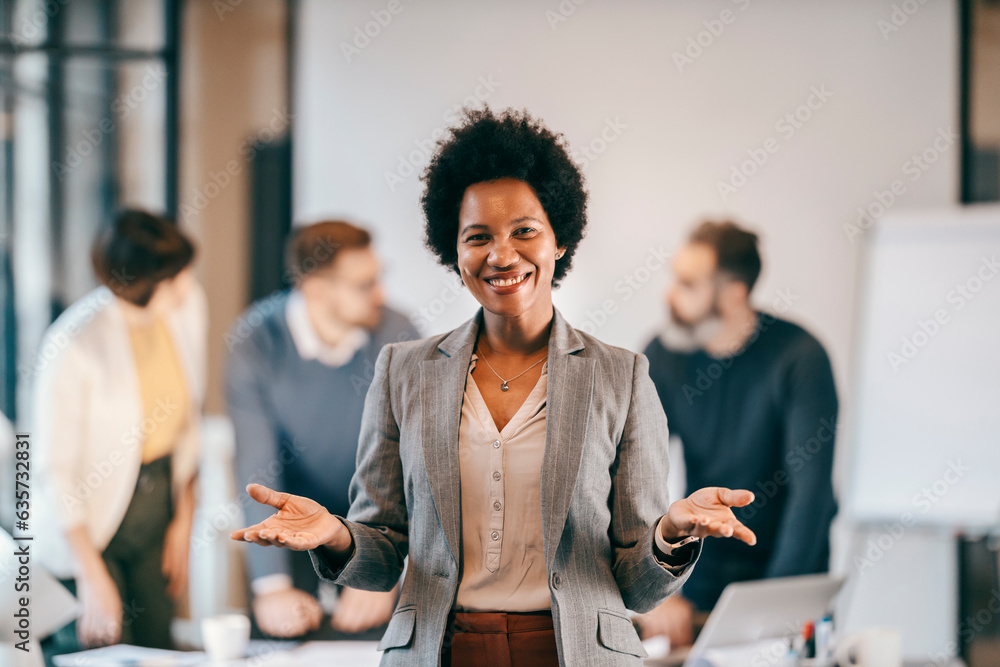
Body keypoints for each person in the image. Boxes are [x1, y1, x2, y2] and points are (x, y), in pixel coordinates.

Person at [231, 107, 758, 666]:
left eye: (524, 231)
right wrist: (334, 534)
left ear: (559, 240)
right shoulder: (403, 371)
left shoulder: (621, 376)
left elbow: (637, 586)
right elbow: (381, 559)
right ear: (455, 252)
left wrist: (670, 533)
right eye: (478, 237)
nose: (501, 255)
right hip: (442, 651)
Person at [634, 221, 838, 645]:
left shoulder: (799, 357)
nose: (670, 295)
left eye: (688, 284)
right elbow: (633, 476)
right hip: (702, 575)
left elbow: (812, 496)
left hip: (789, 575)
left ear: (733, 294)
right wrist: (655, 587)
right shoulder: (664, 355)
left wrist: (772, 612)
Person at [225, 221, 420, 639]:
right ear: (315, 288)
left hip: (375, 521)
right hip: (290, 519)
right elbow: (257, 465)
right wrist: (272, 588)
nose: (380, 294)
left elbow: (415, 462)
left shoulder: (400, 334)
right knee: (282, 636)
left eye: (379, 277)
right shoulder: (256, 341)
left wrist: (387, 564)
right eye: (364, 285)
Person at [35, 210, 205, 659]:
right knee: (105, 651)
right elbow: (56, 471)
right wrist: (90, 575)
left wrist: (183, 520)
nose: (188, 283)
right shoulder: (73, 343)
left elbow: (190, 428)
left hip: (158, 501)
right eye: (177, 276)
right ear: (150, 283)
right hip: (88, 523)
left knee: (158, 647)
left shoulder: (185, 310)